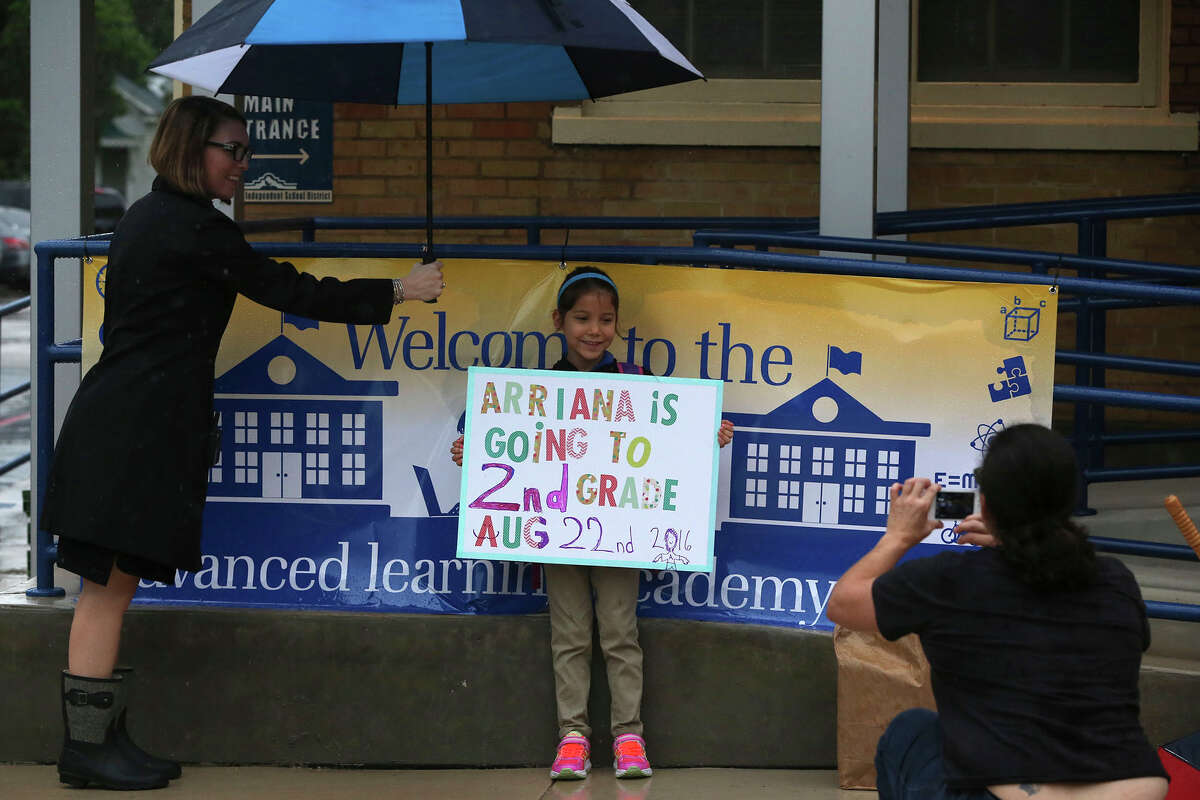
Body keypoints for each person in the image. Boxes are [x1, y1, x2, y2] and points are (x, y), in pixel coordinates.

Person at [40, 96, 446, 791]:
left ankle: (103, 737)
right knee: (105, 589)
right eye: (232, 149)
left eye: (247, 151)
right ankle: (85, 749)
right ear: (192, 148)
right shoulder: (196, 229)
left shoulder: (149, 216)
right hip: (132, 430)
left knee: (112, 584)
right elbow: (291, 290)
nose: (243, 165)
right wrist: (400, 292)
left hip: (125, 423)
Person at [451, 267, 734, 780]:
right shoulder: (537, 390)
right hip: (557, 539)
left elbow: (670, 445)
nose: (594, 329)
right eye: (582, 318)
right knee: (571, 635)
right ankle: (573, 738)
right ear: (559, 321)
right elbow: (502, 449)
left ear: (617, 324)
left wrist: (703, 436)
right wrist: (470, 455)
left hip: (620, 539)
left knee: (621, 634)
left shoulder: (640, 384)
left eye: (605, 319)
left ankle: (629, 737)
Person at [826, 424, 1169, 800]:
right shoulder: (1117, 581)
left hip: (1013, 793)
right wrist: (1018, 544)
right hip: (1133, 789)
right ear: (1070, 500)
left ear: (985, 504)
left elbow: (843, 604)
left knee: (911, 732)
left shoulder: (950, 582)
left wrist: (897, 537)